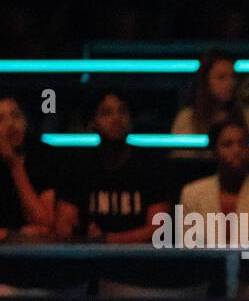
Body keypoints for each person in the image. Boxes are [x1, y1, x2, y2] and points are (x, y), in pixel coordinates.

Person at [55, 90, 171, 244]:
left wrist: (107, 239)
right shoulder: (78, 165)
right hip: (89, 259)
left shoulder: (151, 164)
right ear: (92, 123)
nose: (116, 119)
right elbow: (64, 227)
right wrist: (83, 234)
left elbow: (159, 229)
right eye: (106, 113)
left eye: (122, 111)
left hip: (142, 260)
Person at [178, 120, 249, 246]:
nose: (236, 150)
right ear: (214, 151)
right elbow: (189, 254)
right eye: (227, 145)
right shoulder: (192, 194)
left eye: (242, 144)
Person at [171, 49, 249, 138]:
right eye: (221, 77)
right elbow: (181, 156)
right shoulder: (188, 119)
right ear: (205, 82)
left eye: (232, 77)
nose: (230, 83)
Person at [0, 95, 56, 241]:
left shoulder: (44, 156)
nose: (11, 124)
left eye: (16, 115)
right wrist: (13, 235)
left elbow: (44, 223)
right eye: (0, 119)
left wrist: (14, 165)